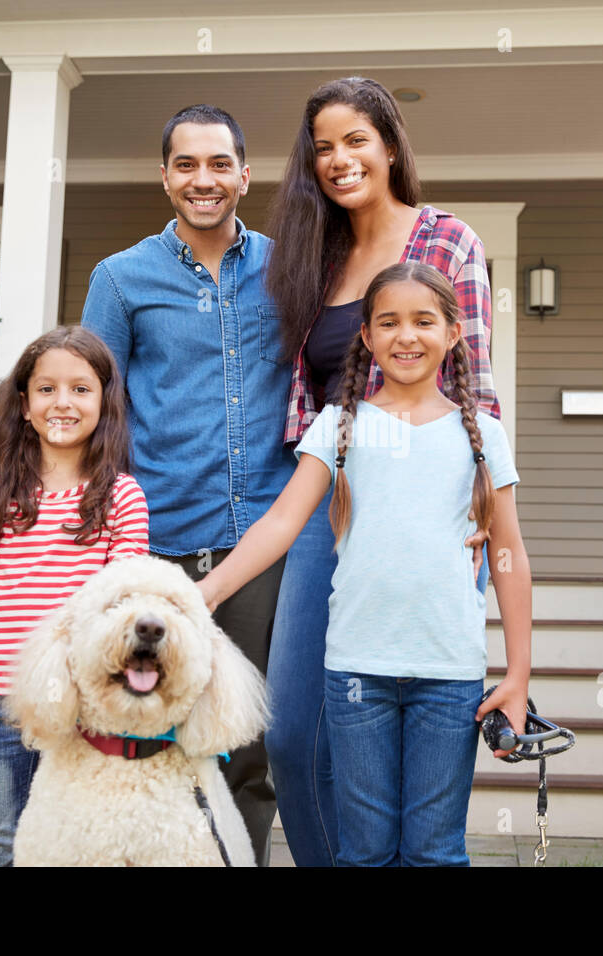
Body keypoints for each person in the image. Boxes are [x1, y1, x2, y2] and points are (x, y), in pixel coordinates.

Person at [197, 263, 532, 866]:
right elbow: (279, 524)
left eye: (424, 321)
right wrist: (208, 591)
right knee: (365, 852)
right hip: (356, 674)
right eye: (389, 322)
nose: (407, 336)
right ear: (369, 338)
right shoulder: (339, 426)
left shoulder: (481, 434)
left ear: (454, 333)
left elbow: (508, 557)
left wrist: (518, 676)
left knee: (435, 852)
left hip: (449, 674)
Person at [263, 75, 501, 865]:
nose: (338, 160)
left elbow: (481, 387)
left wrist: (482, 508)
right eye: (322, 148)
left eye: (355, 140)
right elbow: (305, 396)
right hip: (329, 504)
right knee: (295, 735)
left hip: (426, 518)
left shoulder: (449, 240)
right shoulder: (314, 255)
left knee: (412, 766)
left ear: (391, 146)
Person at [81, 105, 293, 867]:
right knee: (146, 731)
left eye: (218, 164)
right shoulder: (120, 278)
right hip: (156, 541)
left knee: (248, 744)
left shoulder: (291, 266)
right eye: (185, 165)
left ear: (245, 173)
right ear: (165, 176)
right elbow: (93, 408)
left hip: (262, 547)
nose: (203, 180)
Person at [0, 326, 150, 866]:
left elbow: (121, 610)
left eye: (80, 388)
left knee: (75, 851)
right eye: (46, 389)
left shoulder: (121, 497)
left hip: (83, 710)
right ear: (24, 405)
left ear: (104, 402)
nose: (63, 402)